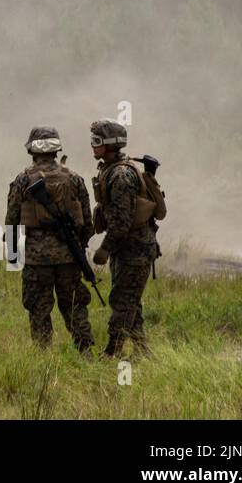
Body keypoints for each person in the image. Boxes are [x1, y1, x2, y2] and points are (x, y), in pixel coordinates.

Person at [5, 126, 94, 353]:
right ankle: (86, 352)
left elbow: (12, 221)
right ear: (56, 149)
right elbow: (87, 222)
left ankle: (44, 358)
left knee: (39, 309)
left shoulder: (23, 179)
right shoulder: (74, 178)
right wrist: (79, 248)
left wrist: (14, 258)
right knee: (74, 307)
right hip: (69, 258)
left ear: (32, 150)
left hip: (37, 259)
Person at [89, 119, 157, 358]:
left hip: (135, 249)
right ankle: (143, 352)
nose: (92, 145)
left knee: (121, 301)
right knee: (131, 302)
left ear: (110, 144)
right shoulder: (109, 169)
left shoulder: (120, 175)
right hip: (126, 248)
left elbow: (121, 221)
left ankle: (112, 352)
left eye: (97, 141)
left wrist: (104, 249)